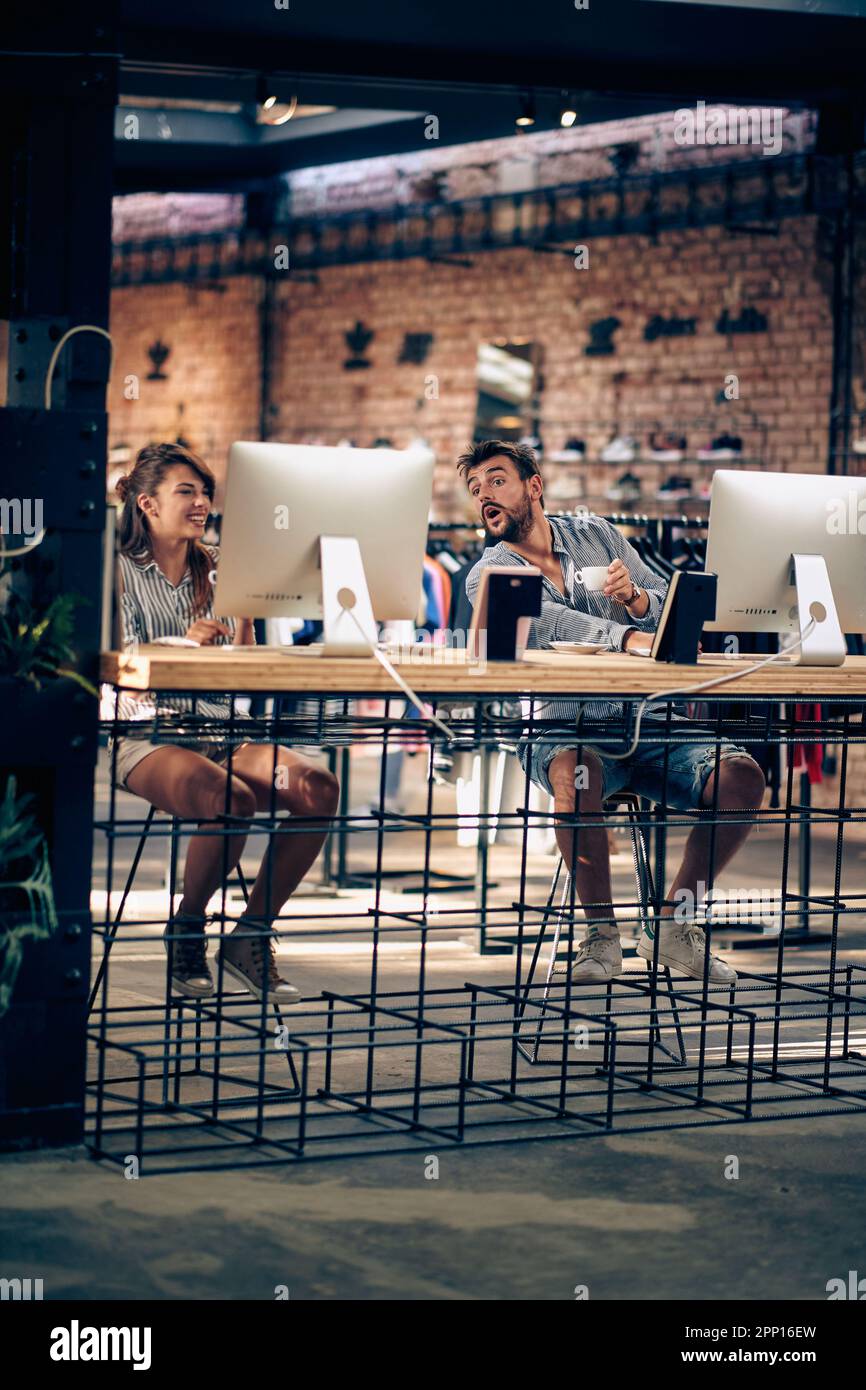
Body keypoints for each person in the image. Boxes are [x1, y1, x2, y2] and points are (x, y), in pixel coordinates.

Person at [458, 439, 766, 985]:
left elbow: (666, 598)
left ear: (534, 485)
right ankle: (601, 936)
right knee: (578, 777)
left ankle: (673, 925)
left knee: (740, 777)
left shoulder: (597, 534)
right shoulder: (488, 573)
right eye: (475, 488)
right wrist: (625, 635)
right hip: (560, 729)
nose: (485, 494)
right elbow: (547, 622)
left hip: (643, 722)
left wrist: (639, 603)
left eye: (497, 480)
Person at [113, 443, 339, 1002]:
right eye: (186, 491)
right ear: (147, 502)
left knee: (317, 788)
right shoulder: (114, 568)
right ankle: (188, 927)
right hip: (148, 733)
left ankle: (249, 937)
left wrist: (244, 620)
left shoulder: (216, 565)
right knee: (229, 800)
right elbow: (113, 657)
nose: (201, 502)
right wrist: (180, 644)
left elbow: (244, 668)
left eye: (205, 492)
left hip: (224, 733)